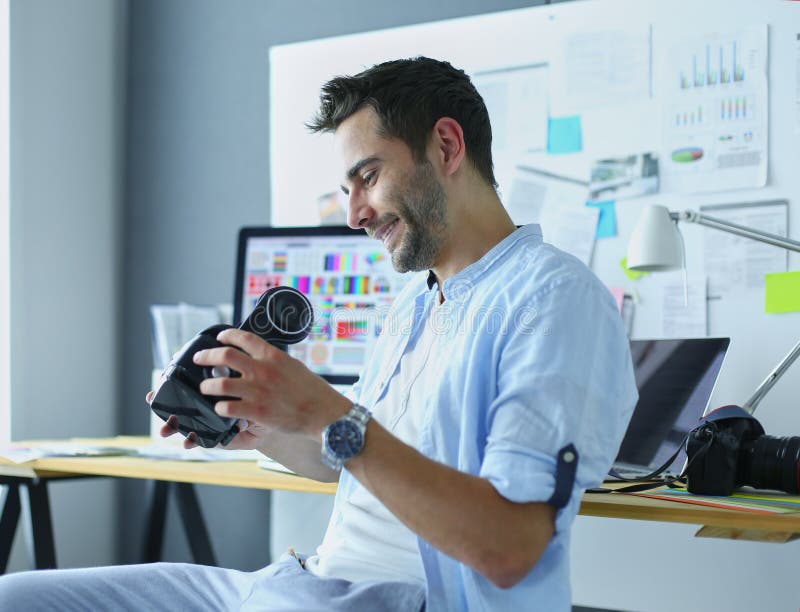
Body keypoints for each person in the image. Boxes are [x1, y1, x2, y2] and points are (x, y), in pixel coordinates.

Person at [0, 57, 637, 611]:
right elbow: (347, 466)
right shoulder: (412, 307)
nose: (356, 214)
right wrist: (259, 428)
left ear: (446, 147)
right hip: (298, 581)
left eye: (369, 176)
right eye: (347, 188)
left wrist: (328, 412)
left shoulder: (552, 300)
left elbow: (511, 550)